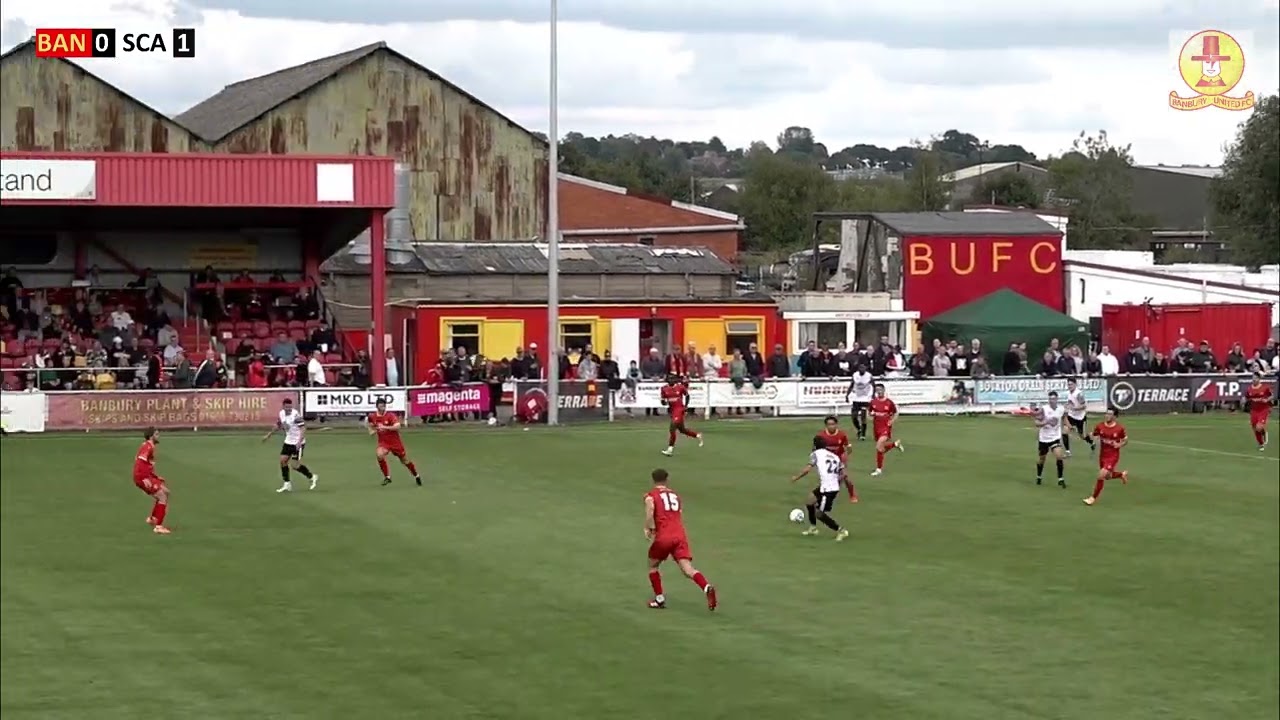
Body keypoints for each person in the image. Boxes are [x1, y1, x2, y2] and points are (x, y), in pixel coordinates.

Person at [643, 468, 717, 611]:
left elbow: (651, 510)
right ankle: (706, 587)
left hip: (664, 536)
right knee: (688, 569)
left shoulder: (651, 496)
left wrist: (649, 528)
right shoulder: (675, 496)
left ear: (653, 480)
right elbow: (678, 513)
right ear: (667, 479)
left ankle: (659, 599)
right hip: (679, 535)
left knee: (653, 566)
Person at [790, 436, 850, 541]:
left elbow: (807, 469)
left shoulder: (816, 454)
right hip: (828, 486)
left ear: (814, 445)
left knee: (818, 513)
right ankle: (813, 528)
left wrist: (796, 477)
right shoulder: (835, 456)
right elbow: (844, 474)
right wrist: (836, 481)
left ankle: (841, 530)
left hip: (828, 489)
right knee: (810, 501)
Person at [262, 397, 318, 493]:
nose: (288, 408)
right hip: (288, 441)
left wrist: (299, 442)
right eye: (287, 407)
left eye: (290, 407)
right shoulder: (281, 413)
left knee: (295, 466)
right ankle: (287, 483)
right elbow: (278, 425)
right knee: (283, 461)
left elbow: (303, 428)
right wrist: (268, 436)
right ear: (283, 406)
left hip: (297, 442)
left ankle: (312, 476)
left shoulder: (295, 415)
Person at [367, 398, 422, 486]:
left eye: (384, 406)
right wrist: (372, 431)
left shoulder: (390, 416)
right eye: (381, 406)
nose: (383, 408)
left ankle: (416, 475)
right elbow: (370, 425)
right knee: (379, 455)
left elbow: (397, 426)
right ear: (377, 407)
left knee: (405, 461)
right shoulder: (372, 416)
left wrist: (385, 427)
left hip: (395, 442)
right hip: (384, 442)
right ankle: (387, 477)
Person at [1084, 407, 1129, 506]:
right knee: (1107, 476)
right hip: (1103, 455)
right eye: (1106, 413)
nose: (1107, 415)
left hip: (1113, 456)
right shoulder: (1100, 426)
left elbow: (1125, 440)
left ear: (1115, 416)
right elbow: (1093, 434)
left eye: (1110, 414)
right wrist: (1087, 436)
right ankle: (1121, 475)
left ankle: (1092, 498)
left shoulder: (1119, 428)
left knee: (1101, 475)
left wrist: (1119, 445)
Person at [133, 427, 171, 535]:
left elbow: (146, 465)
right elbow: (140, 463)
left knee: (166, 492)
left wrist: (155, 477)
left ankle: (153, 518)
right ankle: (158, 527)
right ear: (151, 436)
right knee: (162, 496)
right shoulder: (148, 447)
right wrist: (144, 478)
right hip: (143, 477)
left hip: (147, 476)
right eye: (157, 434)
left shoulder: (149, 446)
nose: (159, 436)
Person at [816, 415, 856, 502]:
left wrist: (847, 454)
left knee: (845, 477)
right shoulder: (821, 435)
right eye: (829, 424)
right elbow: (816, 449)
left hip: (840, 458)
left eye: (833, 424)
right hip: (827, 461)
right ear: (826, 425)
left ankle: (852, 495)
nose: (831, 426)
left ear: (836, 425)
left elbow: (847, 448)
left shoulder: (842, 435)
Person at [660, 373, 702, 456]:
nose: (671, 380)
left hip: (679, 410)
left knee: (672, 427)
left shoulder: (680, 387)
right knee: (682, 430)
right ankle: (697, 435)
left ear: (675, 380)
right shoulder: (664, 388)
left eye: (673, 378)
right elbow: (663, 401)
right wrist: (663, 402)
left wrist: (686, 406)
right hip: (672, 411)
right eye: (669, 378)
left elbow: (687, 396)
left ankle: (670, 449)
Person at [869, 383, 904, 476]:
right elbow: (869, 412)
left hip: (885, 428)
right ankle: (895, 444)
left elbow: (896, 413)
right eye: (877, 390)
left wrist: (891, 422)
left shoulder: (889, 402)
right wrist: (870, 417)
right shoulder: (873, 402)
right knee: (881, 449)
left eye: (880, 390)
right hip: (876, 427)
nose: (879, 392)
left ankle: (879, 469)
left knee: (878, 446)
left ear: (884, 391)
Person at [1035, 391, 1068, 488]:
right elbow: (1037, 422)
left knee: (1059, 456)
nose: (1051, 401)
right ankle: (1039, 476)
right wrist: (1044, 422)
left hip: (1055, 437)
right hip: (1044, 438)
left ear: (1057, 399)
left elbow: (1064, 418)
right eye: (1050, 399)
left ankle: (1060, 479)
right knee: (1042, 459)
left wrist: (1068, 426)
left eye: (1053, 399)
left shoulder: (1061, 409)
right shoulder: (1044, 409)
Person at [1062, 377, 1095, 456]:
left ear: (1075, 384)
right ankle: (1067, 451)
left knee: (1082, 436)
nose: (1070, 386)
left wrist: (1073, 408)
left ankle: (1091, 442)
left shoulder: (1078, 394)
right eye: (1068, 384)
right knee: (1064, 431)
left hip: (1080, 418)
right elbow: (1070, 403)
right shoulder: (1069, 393)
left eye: (1071, 384)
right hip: (1071, 416)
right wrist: (1067, 406)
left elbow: (1084, 406)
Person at [843, 363, 874, 441]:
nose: (862, 369)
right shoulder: (855, 375)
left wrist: (873, 395)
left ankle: (863, 434)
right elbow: (851, 385)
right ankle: (859, 429)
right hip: (856, 398)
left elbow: (874, 385)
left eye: (863, 368)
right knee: (854, 416)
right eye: (860, 368)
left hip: (865, 398)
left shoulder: (869, 376)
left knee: (863, 417)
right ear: (858, 369)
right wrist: (847, 395)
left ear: (865, 368)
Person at [1245, 372, 1272, 450]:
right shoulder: (1249, 389)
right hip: (1254, 410)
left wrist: (1266, 400)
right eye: (1253, 378)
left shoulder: (1265, 388)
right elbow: (1247, 397)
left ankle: (1263, 433)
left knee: (1258, 427)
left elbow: (1272, 396)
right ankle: (1261, 443)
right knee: (1254, 428)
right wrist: (1245, 401)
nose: (1254, 379)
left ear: (1259, 379)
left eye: (1256, 378)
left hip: (1263, 410)